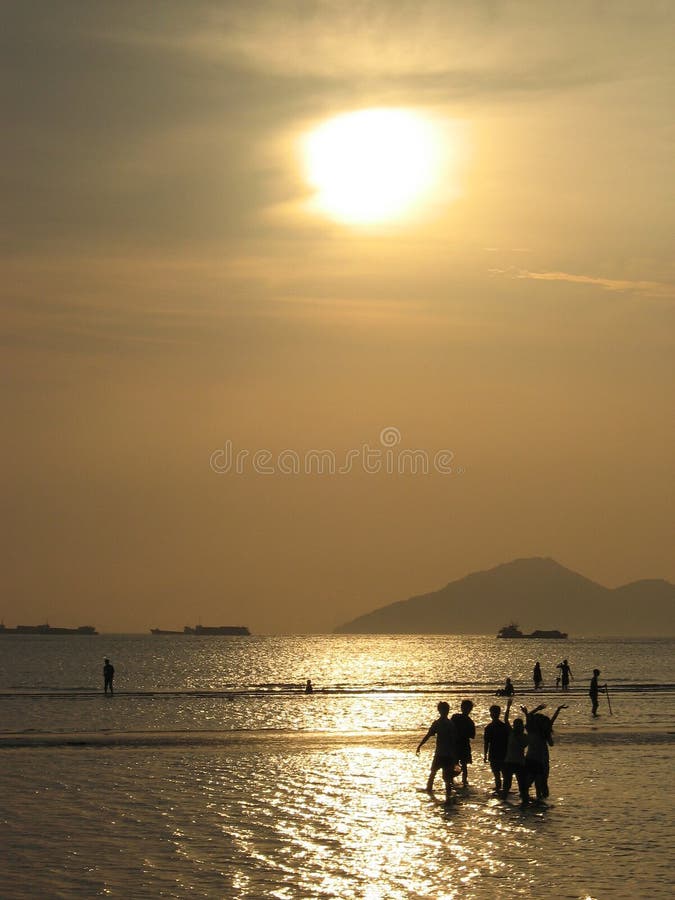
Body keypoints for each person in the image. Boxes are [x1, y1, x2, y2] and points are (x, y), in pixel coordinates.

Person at [520, 703, 567, 802]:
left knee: (538, 783)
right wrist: (536, 709)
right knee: (536, 782)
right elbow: (530, 717)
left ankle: (536, 800)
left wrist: (557, 710)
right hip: (536, 760)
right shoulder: (533, 731)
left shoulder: (538, 732)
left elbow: (550, 721)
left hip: (539, 760)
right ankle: (535, 799)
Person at [416, 701, 457, 803]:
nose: (445, 712)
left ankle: (441, 795)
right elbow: (428, 735)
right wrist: (420, 745)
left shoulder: (448, 724)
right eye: (443, 710)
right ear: (440, 711)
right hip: (442, 753)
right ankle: (443, 796)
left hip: (446, 754)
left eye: (446, 710)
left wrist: (455, 755)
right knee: (435, 774)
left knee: (443, 776)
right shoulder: (440, 724)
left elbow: (454, 740)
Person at [483, 699, 511, 793]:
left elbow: (487, 742)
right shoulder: (490, 727)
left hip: (500, 754)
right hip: (496, 754)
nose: (493, 714)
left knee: (501, 775)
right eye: (493, 713)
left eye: (495, 713)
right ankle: (501, 791)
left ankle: (500, 791)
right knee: (500, 775)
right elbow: (486, 742)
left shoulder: (499, 727)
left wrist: (485, 755)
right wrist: (485, 754)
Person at [450, 699, 476, 787]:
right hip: (456, 744)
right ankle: (453, 780)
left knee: (463, 765)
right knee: (455, 764)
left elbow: (472, 735)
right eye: (464, 707)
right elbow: (450, 729)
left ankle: (464, 781)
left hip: (463, 745)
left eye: (468, 708)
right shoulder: (456, 717)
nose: (466, 710)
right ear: (461, 708)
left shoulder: (469, 721)